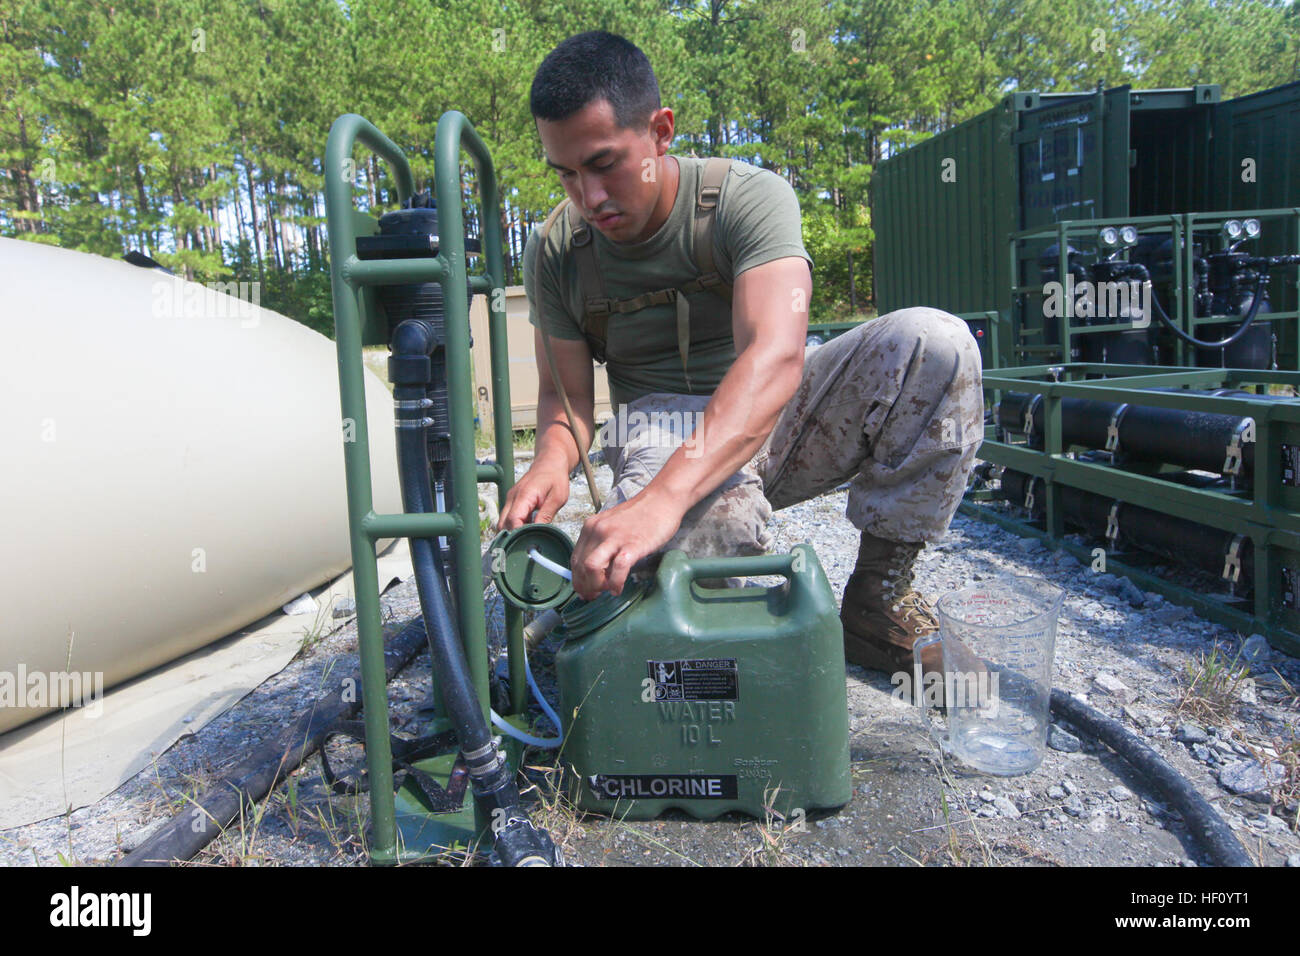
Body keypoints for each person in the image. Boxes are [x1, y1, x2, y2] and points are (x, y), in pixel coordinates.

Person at [499, 31, 983, 677]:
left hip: (775, 410)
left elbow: (774, 357)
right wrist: (550, 464)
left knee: (936, 342)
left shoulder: (745, 199)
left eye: (604, 164)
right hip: (659, 426)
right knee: (693, 547)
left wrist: (661, 500)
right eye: (565, 173)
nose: (588, 198)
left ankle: (878, 602)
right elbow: (565, 400)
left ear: (660, 131)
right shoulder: (557, 250)